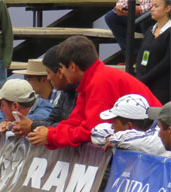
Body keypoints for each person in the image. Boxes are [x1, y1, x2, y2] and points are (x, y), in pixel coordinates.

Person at [27, 35, 161, 148]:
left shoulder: (99, 81)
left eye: (62, 67)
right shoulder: (92, 79)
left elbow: (91, 131)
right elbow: (75, 122)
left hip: (158, 135)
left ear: (72, 66)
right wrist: (47, 132)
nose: (61, 72)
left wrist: (50, 136)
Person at [11, 46, 78, 136]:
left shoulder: (71, 92)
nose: (48, 77)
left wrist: (31, 126)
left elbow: (74, 128)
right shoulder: (65, 92)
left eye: (29, 78)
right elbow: (54, 119)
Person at [90, 94, 169, 156]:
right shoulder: (125, 134)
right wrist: (109, 137)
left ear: (129, 126)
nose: (112, 126)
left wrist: (113, 139)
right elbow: (96, 131)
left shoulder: (157, 137)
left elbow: (134, 141)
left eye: (114, 123)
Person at [136, 0, 170, 104]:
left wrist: (146, 78)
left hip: (162, 87)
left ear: (168, 8)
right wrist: (139, 76)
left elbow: (167, 62)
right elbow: (141, 54)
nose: (152, 9)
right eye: (152, 6)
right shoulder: (150, 30)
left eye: (156, 6)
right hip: (144, 84)